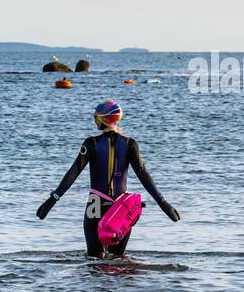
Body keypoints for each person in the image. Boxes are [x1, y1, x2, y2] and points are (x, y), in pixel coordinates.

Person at [35, 98, 179, 256]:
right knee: (118, 260)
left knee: (94, 259)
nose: (94, 121)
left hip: (95, 204)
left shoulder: (91, 143)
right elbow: (143, 175)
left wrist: (52, 199)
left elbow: (73, 172)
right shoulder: (130, 144)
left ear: (101, 119)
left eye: (95, 117)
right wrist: (163, 203)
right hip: (122, 207)